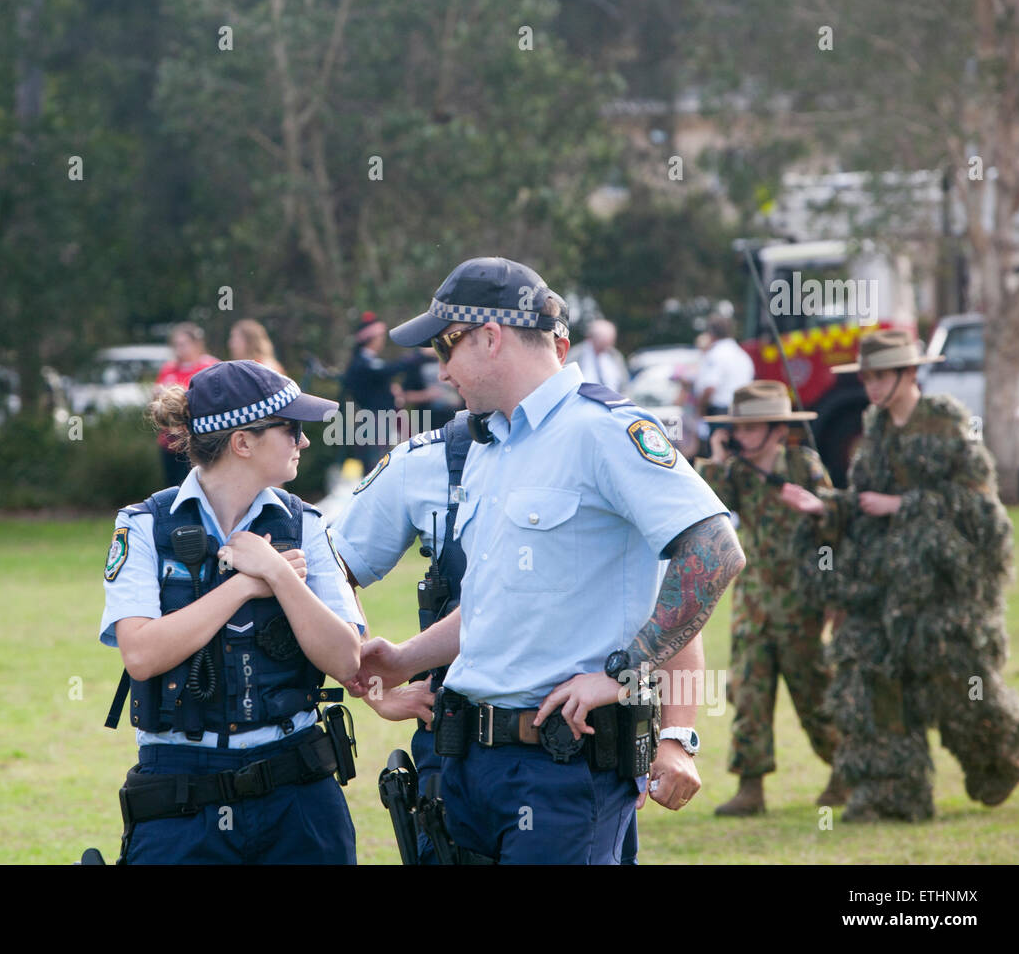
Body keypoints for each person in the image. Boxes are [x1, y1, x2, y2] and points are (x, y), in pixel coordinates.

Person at [350, 256, 743, 864]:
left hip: (560, 769)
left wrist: (624, 674)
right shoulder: (492, 443)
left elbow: (714, 550)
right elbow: (496, 604)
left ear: (489, 336)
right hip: (467, 764)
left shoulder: (604, 429)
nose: (441, 368)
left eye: (445, 347)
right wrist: (405, 658)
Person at [331, 406, 706, 865]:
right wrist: (376, 685)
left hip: (574, 753)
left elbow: (676, 600)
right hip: (452, 745)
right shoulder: (423, 462)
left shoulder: (590, 452)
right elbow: (330, 572)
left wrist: (675, 735)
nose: (447, 365)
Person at [99, 360, 364, 863]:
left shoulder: (306, 523)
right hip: (180, 794)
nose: (303, 442)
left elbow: (346, 659)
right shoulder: (141, 526)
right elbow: (140, 654)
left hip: (297, 789)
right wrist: (243, 586)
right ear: (242, 442)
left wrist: (279, 574)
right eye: (292, 429)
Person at [781, 329, 1019, 821]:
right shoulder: (874, 431)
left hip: (944, 588)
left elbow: (980, 509)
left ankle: (1008, 752)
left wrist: (905, 504)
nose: (871, 386)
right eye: (866, 377)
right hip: (883, 584)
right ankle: (892, 795)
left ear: (909, 373)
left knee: (965, 693)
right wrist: (825, 507)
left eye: (881, 376)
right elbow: (864, 503)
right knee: (867, 676)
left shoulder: (947, 423)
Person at [695, 380, 844, 816]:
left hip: (802, 605)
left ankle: (846, 770)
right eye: (735, 427)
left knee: (814, 693)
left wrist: (820, 513)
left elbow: (835, 523)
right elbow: (701, 503)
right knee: (750, 694)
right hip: (753, 603)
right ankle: (750, 786)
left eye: (749, 427)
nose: (739, 434)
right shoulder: (736, 472)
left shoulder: (802, 464)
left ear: (778, 429)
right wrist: (719, 459)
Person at [340, 311, 414, 471]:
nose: (382, 341)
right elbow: (388, 370)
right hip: (373, 419)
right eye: (379, 337)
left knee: (381, 458)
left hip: (378, 418)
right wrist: (416, 356)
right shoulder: (362, 363)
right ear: (370, 339)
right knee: (376, 464)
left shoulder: (368, 361)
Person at [155, 323, 220, 488]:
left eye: (183, 344)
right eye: (176, 345)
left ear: (196, 344)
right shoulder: (168, 369)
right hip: (170, 440)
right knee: (173, 486)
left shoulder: (210, 366)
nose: (179, 349)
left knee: (199, 485)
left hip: (199, 439)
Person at [695, 313, 754, 439]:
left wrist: (700, 410)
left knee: (717, 451)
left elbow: (710, 387)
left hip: (719, 413)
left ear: (711, 332)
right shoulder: (743, 355)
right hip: (741, 412)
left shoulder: (715, 355)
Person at [567, 318, 629, 392]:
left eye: (610, 341)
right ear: (592, 338)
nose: (608, 345)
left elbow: (625, 384)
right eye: (603, 340)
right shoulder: (576, 354)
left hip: (612, 400)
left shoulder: (615, 356)